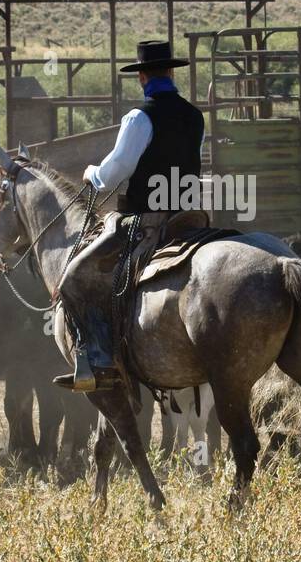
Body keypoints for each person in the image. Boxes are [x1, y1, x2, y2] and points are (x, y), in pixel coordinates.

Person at [53, 40, 205, 392]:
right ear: (170, 72)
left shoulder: (139, 118)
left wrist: (92, 173)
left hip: (145, 220)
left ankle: (101, 359)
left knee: (76, 276)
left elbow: (115, 171)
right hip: (187, 216)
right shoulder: (195, 116)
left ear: (142, 77)